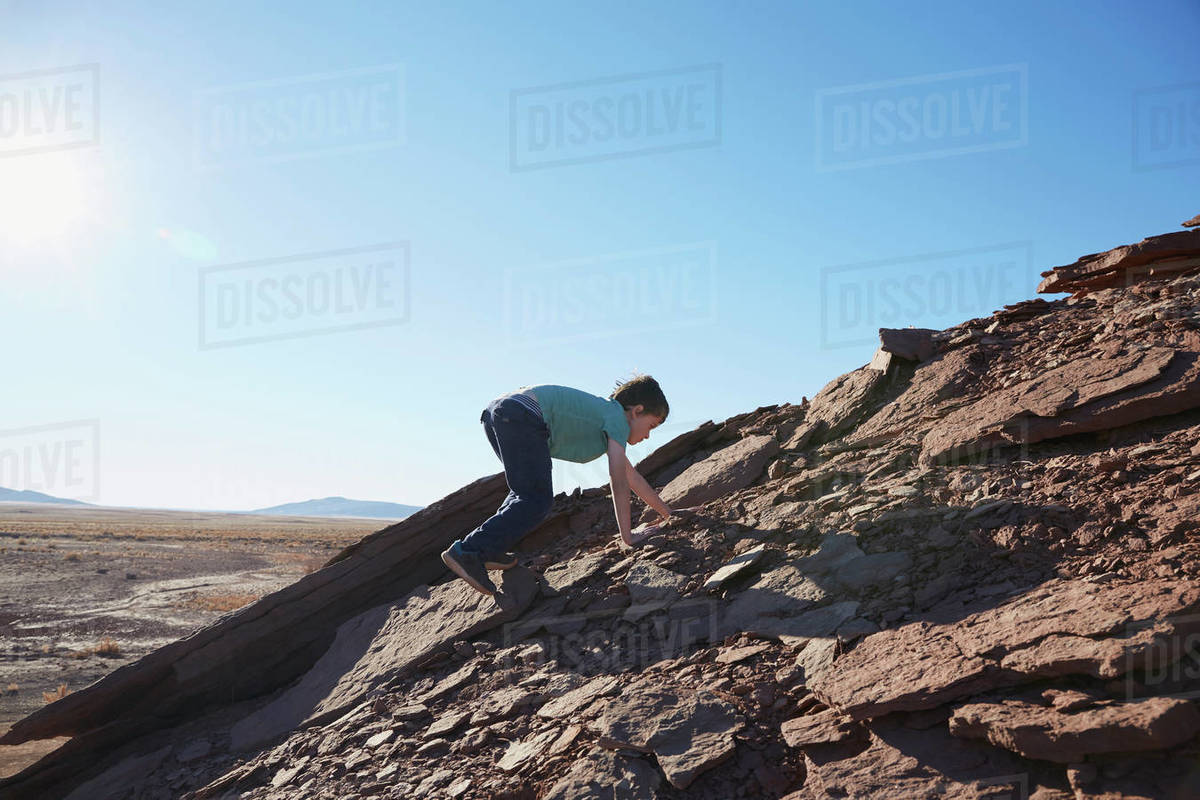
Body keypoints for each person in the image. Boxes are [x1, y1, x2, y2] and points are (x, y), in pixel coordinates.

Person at [441, 375, 674, 596]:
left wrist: (668, 514)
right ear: (637, 411)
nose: (648, 436)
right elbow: (618, 479)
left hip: (502, 413)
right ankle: (469, 551)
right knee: (536, 500)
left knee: (526, 495)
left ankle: (485, 549)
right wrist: (628, 536)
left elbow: (631, 477)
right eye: (651, 426)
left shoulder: (606, 418)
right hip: (521, 414)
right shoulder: (617, 418)